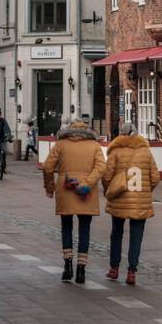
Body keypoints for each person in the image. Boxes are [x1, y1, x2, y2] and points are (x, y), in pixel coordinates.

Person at [42, 116, 106, 284]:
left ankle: (67, 266)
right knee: (84, 229)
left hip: (65, 189)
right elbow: (101, 167)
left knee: (66, 227)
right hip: (86, 193)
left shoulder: (61, 144)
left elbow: (48, 166)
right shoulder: (94, 145)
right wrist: (87, 184)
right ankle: (81, 270)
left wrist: (50, 187)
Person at [101, 120, 162, 285]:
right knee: (136, 236)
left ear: (121, 133)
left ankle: (114, 268)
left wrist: (109, 190)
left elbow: (106, 176)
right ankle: (131, 272)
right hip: (140, 201)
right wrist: (146, 191)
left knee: (116, 233)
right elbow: (155, 177)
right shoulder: (146, 152)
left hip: (119, 198)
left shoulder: (115, 152)